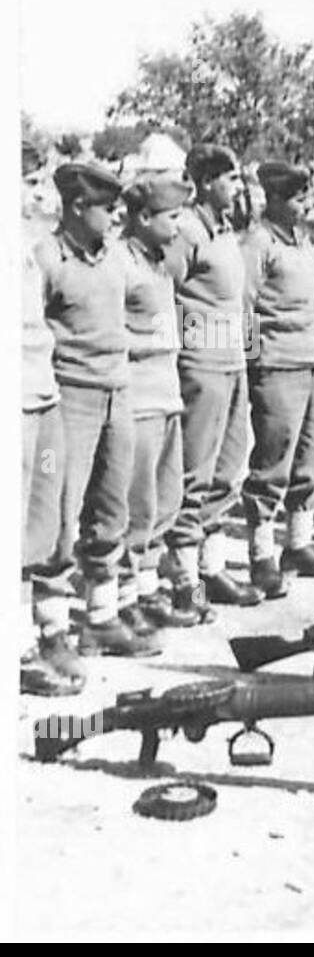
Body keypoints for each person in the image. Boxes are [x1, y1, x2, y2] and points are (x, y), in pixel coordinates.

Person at [32, 162, 158, 657]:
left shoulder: (115, 259)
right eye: (107, 208)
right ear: (79, 207)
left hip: (117, 395)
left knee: (112, 507)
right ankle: (50, 628)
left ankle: (101, 616)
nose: (115, 216)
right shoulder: (46, 259)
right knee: (60, 514)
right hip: (70, 402)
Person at [165, 144, 263, 609]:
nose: (238, 186)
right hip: (201, 366)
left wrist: (249, 354)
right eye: (229, 179)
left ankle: (212, 568)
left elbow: (241, 303)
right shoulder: (186, 231)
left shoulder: (226, 232)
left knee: (227, 472)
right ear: (205, 182)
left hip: (233, 364)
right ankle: (186, 582)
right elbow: (162, 295)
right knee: (195, 473)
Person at [241, 161, 314, 587]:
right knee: (272, 463)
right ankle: (261, 554)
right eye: (301, 198)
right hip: (275, 365)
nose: (309, 204)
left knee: (313, 457)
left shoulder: (300, 240)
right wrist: (253, 363)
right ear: (276, 199)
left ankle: (298, 545)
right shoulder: (257, 243)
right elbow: (241, 307)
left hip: (309, 361)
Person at [119, 173, 205, 634]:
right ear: (143, 217)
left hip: (166, 392)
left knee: (165, 499)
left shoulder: (156, 262)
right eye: (172, 217)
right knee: (136, 503)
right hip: (137, 398)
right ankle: (123, 596)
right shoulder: (121, 263)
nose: (179, 225)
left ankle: (149, 587)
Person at [20, 142, 85, 693]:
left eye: (38, 180)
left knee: (46, 527)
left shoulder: (31, 249)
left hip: (42, 395)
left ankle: (48, 632)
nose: (39, 193)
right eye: (26, 181)